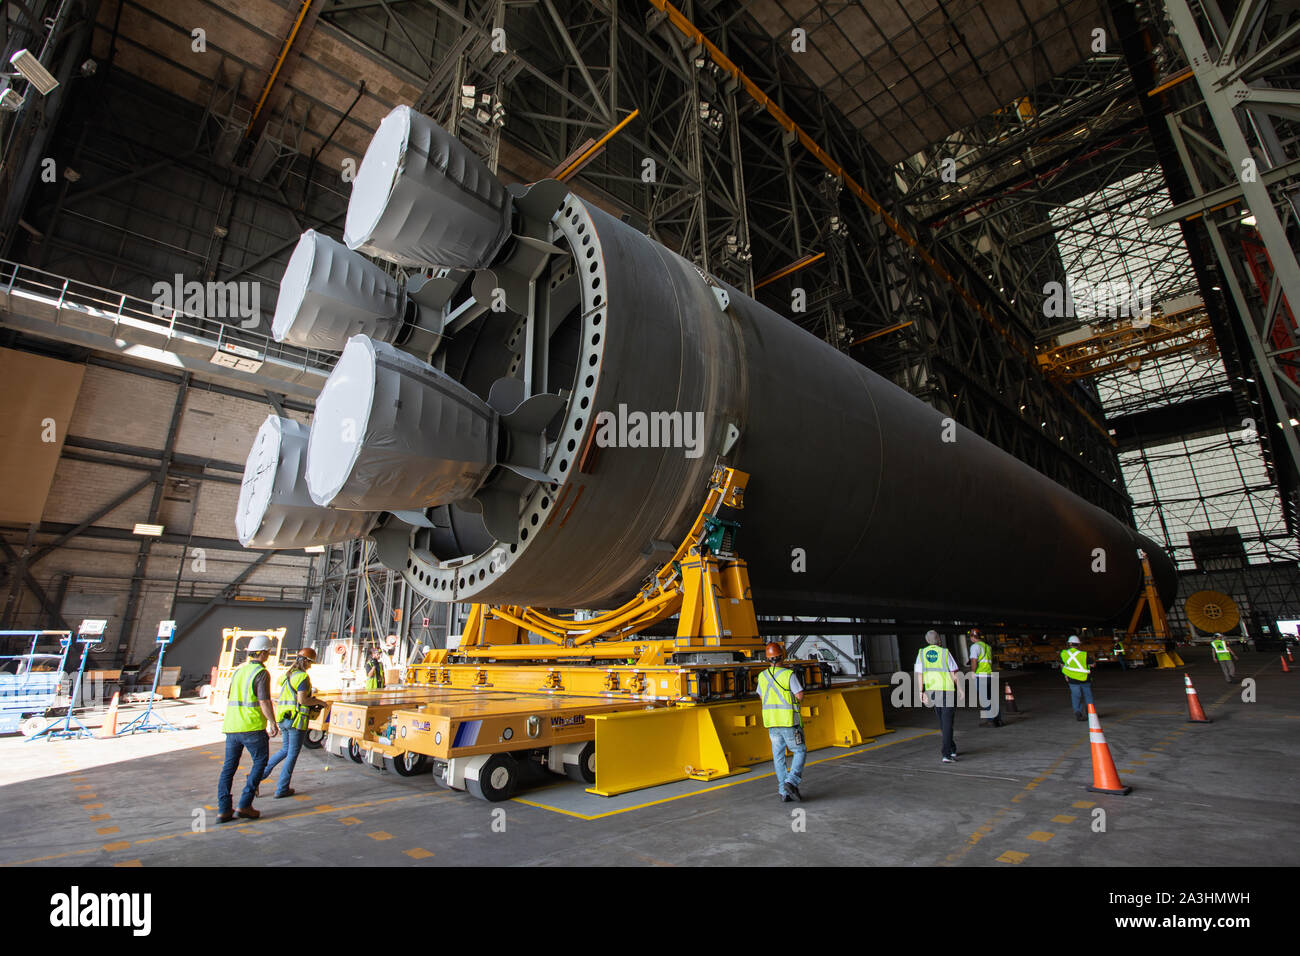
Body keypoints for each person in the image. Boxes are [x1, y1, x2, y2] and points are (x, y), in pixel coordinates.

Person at [217, 635, 279, 822]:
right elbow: (264, 701)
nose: (269, 654)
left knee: (229, 768)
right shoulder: (261, 673)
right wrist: (272, 722)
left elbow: (231, 696)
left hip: (232, 726)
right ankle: (245, 804)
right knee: (260, 763)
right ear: (262, 653)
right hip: (251, 727)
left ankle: (224, 809)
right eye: (268, 651)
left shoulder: (238, 672)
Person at [261, 647, 329, 798]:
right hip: (295, 720)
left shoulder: (287, 675)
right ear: (304, 661)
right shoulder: (302, 677)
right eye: (310, 662)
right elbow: (302, 700)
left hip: (283, 718)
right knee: (292, 754)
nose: (310, 666)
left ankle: (258, 777)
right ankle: (282, 788)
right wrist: (320, 702)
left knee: (285, 750)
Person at [756, 641, 805, 802]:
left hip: (771, 723)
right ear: (782, 656)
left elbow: (762, 697)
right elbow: (799, 696)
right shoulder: (788, 675)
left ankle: (784, 792)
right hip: (789, 721)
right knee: (799, 751)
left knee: (778, 757)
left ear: (767, 659)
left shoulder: (762, 676)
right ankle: (791, 781)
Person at [916, 630, 964, 762]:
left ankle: (952, 748)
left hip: (932, 691)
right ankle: (946, 754)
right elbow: (954, 673)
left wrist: (921, 692)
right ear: (939, 640)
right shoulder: (944, 653)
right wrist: (960, 689)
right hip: (947, 690)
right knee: (948, 722)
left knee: (944, 722)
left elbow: (920, 675)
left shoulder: (921, 653)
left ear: (927, 641)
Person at [967, 628, 1002, 727]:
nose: (970, 638)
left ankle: (991, 721)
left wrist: (973, 672)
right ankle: (998, 720)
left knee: (985, 699)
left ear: (973, 637)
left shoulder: (975, 647)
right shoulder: (987, 647)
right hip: (989, 674)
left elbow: (974, 660)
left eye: (970, 636)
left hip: (981, 676)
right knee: (992, 698)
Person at [1060, 635, 1094, 721]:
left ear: (1069, 644)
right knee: (1088, 696)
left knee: (1076, 696)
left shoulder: (1064, 653)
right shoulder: (1083, 654)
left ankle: (1078, 713)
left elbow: (1062, 665)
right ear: (1079, 644)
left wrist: (1066, 675)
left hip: (1072, 680)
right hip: (1085, 679)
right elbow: (1092, 664)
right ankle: (1090, 713)